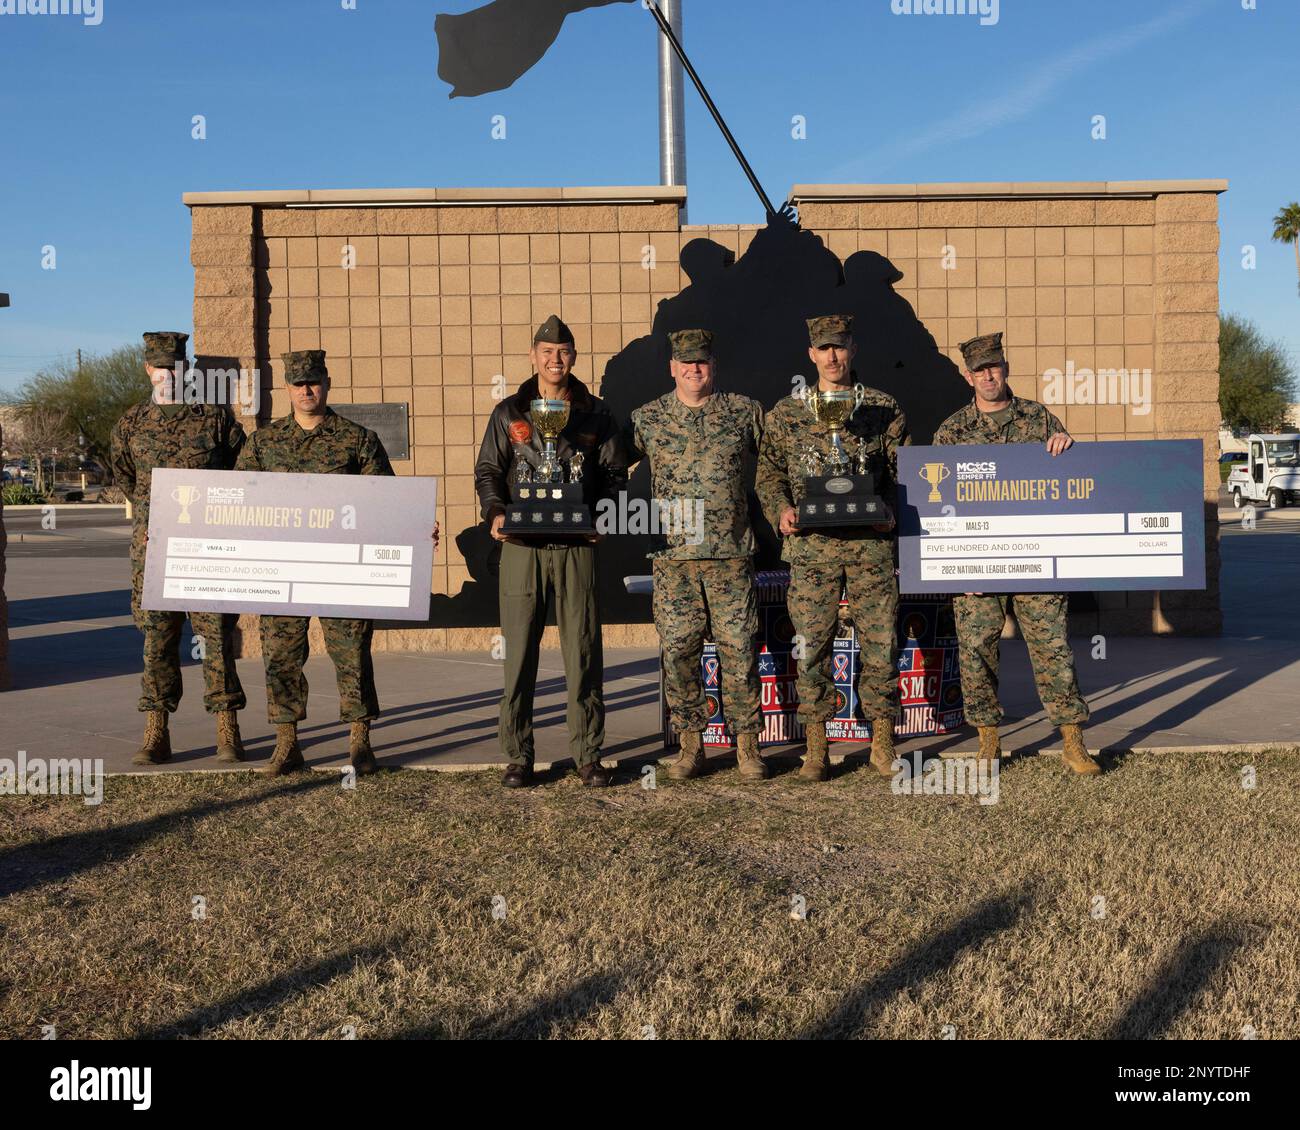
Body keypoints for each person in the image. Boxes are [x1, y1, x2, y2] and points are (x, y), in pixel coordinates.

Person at [933, 331, 1100, 775]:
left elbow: (1070, 483)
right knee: (976, 648)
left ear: (1005, 369)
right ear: (969, 377)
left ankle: (1072, 739)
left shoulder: (1038, 419)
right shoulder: (952, 432)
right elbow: (935, 502)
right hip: (976, 565)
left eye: (995, 367)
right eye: (980, 370)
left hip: (1035, 559)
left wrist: (1068, 451)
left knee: (1051, 648)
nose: (989, 376)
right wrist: (954, 569)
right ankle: (988, 738)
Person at [474, 315, 628, 788]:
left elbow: (614, 476)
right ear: (532, 356)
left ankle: (587, 754)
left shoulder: (597, 414)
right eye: (546, 351)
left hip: (576, 547)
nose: (554, 359)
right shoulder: (509, 412)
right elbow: (488, 471)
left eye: (563, 351)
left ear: (574, 357)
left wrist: (600, 516)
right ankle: (518, 755)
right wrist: (497, 512)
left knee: (582, 652)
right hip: (523, 547)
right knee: (519, 653)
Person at [756, 314, 908, 781]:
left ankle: (882, 744)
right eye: (823, 349)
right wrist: (780, 510)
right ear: (811, 355)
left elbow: (905, 475)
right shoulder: (787, 412)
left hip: (870, 548)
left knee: (881, 644)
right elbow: (769, 474)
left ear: (853, 349)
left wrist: (890, 512)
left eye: (839, 347)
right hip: (812, 549)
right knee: (811, 646)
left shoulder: (882, 407)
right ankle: (817, 749)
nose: (833, 357)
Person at [234, 349, 395, 776]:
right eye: (298, 383)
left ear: (326, 383)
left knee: (352, 652)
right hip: (282, 570)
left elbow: (386, 505)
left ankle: (360, 741)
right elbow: (237, 502)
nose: (307, 390)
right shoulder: (264, 444)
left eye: (314, 381)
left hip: (340, 569)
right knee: (281, 654)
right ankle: (287, 743)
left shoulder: (357, 440)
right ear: (286, 388)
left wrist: (414, 531)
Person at [625, 329, 767, 781]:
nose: (694, 369)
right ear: (672, 367)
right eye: (685, 362)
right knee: (680, 650)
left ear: (713, 365)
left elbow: (774, 466)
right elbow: (611, 467)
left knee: (738, 650)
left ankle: (747, 746)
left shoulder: (743, 412)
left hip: (729, 557)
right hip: (674, 560)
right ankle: (691, 745)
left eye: (701, 361)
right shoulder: (647, 419)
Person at [110, 331, 247, 765]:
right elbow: (128, 481)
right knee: (157, 640)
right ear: (148, 368)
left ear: (184, 369)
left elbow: (241, 475)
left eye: (175, 366)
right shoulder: (131, 423)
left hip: (206, 551)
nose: (167, 373)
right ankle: (156, 731)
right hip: (153, 554)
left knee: (216, 639)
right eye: (160, 366)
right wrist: (154, 519)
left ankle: (227, 728)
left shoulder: (214, 419)